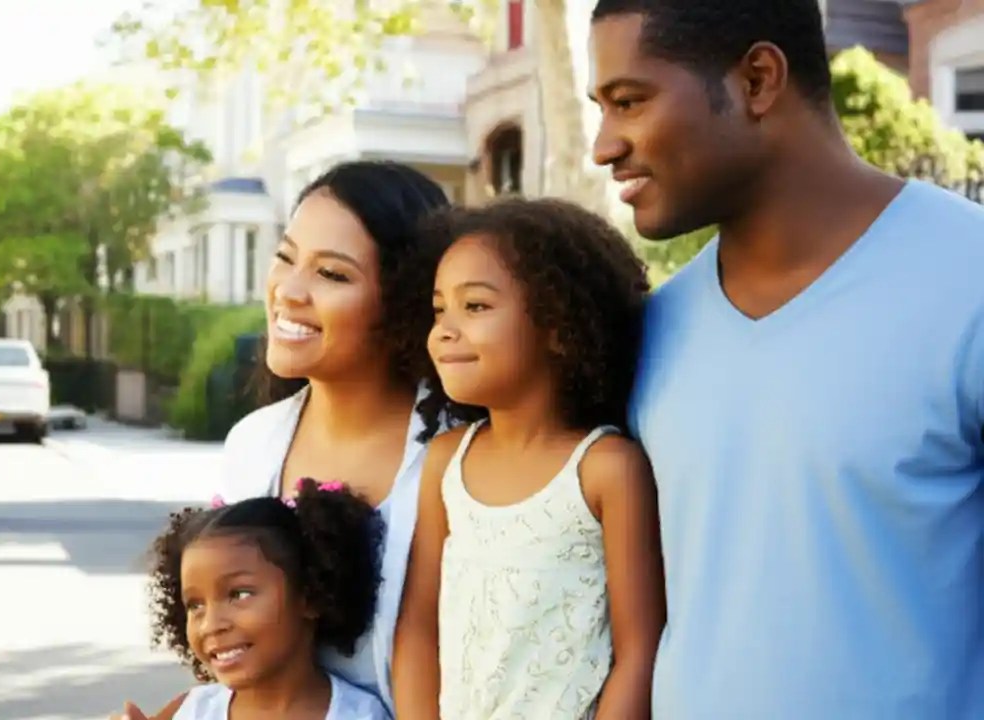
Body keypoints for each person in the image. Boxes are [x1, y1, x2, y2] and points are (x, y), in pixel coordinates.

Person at [587, 1, 984, 717]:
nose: (604, 145)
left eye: (629, 101)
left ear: (758, 80)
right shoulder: (651, 328)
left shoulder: (970, 280)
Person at [393, 198, 665, 720]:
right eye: (438, 309)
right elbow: (417, 629)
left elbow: (639, 652)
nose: (445, 330)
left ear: (560, 327)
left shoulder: (605, 470)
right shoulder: (446, 463)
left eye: (474, 307)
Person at [217, 160, 452, 715]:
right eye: (285, 257)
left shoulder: (467, 455)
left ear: (403, 302)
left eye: (333, 274)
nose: (289, 290)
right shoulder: (252, 446)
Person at [118, 479, 389, 719]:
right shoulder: (192, 710)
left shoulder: (360, 714)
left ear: (309, 595)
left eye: (239, 594)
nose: (211, 624)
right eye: (195, 605)